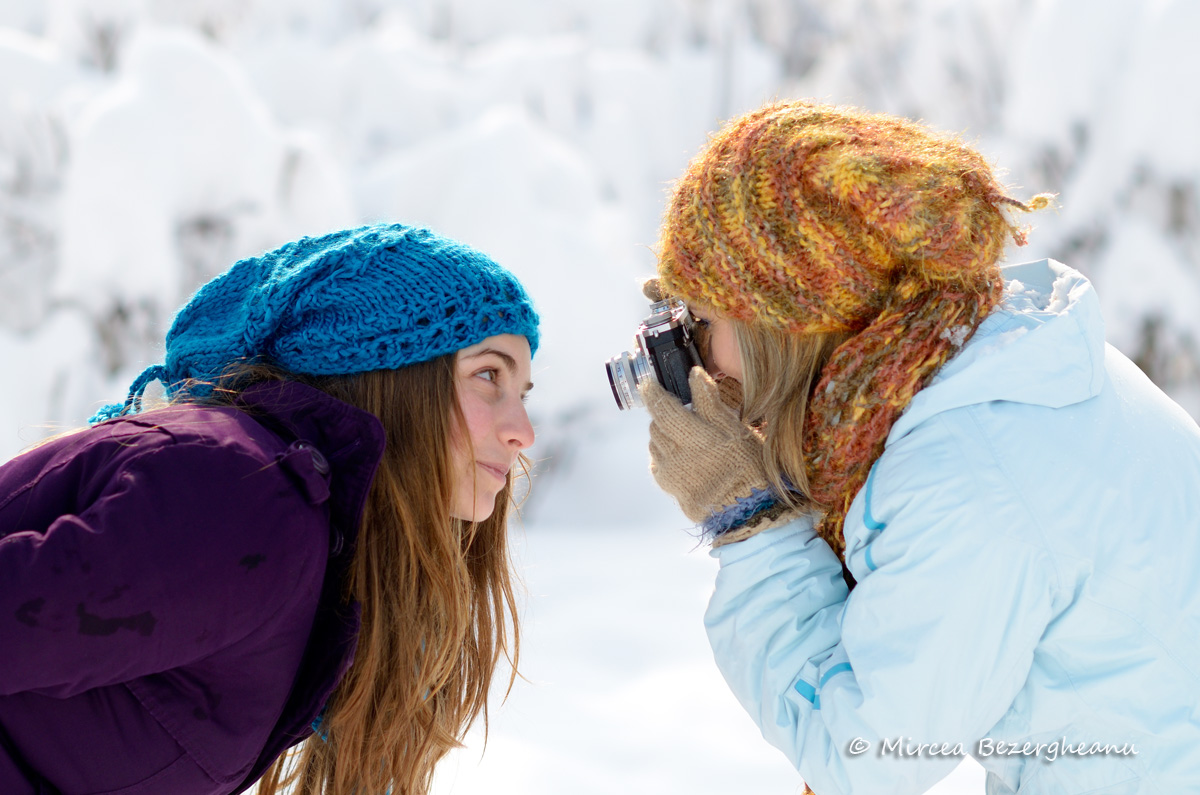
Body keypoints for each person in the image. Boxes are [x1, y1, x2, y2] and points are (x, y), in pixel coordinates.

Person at [639, 100, 1200, 794]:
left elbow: (867, 759)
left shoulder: (963, 468)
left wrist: (748, 521)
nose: (696, 354)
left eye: (701, 318)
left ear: (783, 327)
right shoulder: (1007, 363)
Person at [0, 222, 540, 795]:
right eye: (488, 375)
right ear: (389, 376)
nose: (523, 433)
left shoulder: (295, 519)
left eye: (523, 392)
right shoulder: (242, 496)